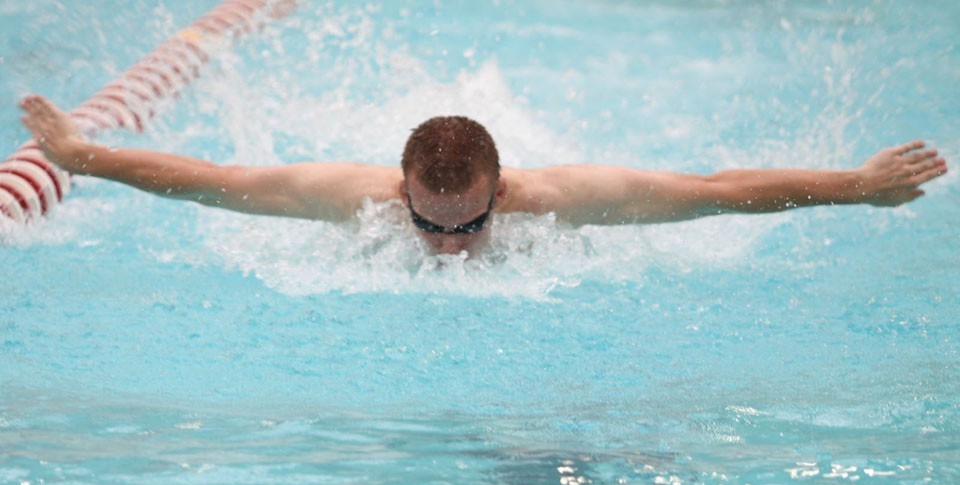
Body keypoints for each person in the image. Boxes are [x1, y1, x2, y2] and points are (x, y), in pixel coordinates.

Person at [19, 94, 948, 255]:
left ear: (502, 195)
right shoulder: (354, 201)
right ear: (401, 192)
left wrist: (854, 186)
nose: (449, 247)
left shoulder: (566, 203)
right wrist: (77, 159)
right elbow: (207, 178)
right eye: (431, 225)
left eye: (469, 227)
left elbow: (713, 193)